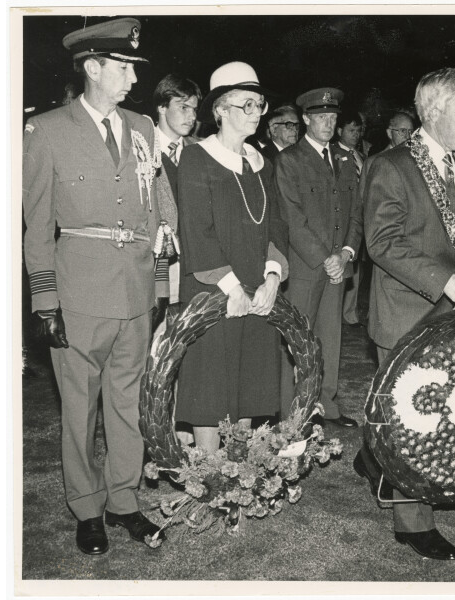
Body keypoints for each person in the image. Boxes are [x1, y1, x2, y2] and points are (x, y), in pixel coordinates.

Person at [22, 17, 163, 554]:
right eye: (123, 68)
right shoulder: (47, 131)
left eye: (133, 68)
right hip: (78, 293)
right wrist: (45, 301)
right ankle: (86, 508)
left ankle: (124, 500)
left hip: (135, 291)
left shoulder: (143, 127)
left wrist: (157, 285)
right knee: (79, 408)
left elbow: (153, 210)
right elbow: (37, 224)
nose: (133, 78)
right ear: (92, 68)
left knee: (129, 403)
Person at [354, 67, 455, 561]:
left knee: (432, 415)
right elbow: (382, 242)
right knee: (412, 420)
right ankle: (413, 524)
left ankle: (375, 459)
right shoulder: (391, 165)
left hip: (445, 312)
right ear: (434, 110)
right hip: (405, 312)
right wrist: (444, 280)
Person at [175, 61, 290, 451]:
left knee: (248, 386)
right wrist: (231, 287)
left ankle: (239, 472)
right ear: (221, 109)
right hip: (213, 289)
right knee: (211, 390)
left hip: (257, 291)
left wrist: (272, 278)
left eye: (259, 105)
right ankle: (209, 473)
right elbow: (197, 231)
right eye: (247, 105)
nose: (256, 113)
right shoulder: (196, 158)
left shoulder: (263, 164)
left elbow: (276, 225)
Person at [274, 88, 363, 429]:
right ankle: (292, 413)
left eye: (333, 117)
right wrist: (327, 258)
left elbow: (356, 212)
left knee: (330, 337)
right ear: (306, 119)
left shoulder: (344, 159)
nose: (328, 123)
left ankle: (326, 404)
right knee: (297, 339)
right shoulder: (290, 160)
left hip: (338, 265)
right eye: (321, 117)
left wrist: (346, 253)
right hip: (305, 267)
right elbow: (292, 219)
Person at [151, 74, 202, 309]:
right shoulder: (139, 147)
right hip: (157, 267)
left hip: (196, 266)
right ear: (162, 107)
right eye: (183, 107)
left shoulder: (201, 151)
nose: (192, 116)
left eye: (194, 109)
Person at [334, 109, 367, 326]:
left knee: (357, 268)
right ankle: (340, 313)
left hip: (360, 219)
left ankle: (350, 312)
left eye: (358, 131)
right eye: (351, 130)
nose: (356, 135)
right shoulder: (333, 154)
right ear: (340, 131)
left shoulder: (361, 156)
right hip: (344, 219)